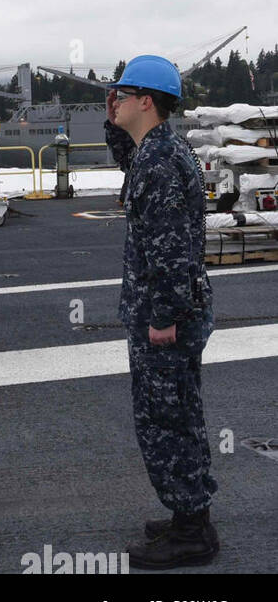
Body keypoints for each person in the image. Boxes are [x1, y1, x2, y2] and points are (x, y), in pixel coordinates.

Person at [105, 56, 218, 568]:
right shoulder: (158, 150)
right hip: (171, 305)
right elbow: (131, 169)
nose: (116, 102)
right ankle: (187, 515)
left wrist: (163, 318)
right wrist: (114, 124)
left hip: (167, 313)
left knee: (166, 420)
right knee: (177, 415)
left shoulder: (160, 160)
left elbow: (170, 248)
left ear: (145, 100)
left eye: (122, 96)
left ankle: (192, 532)